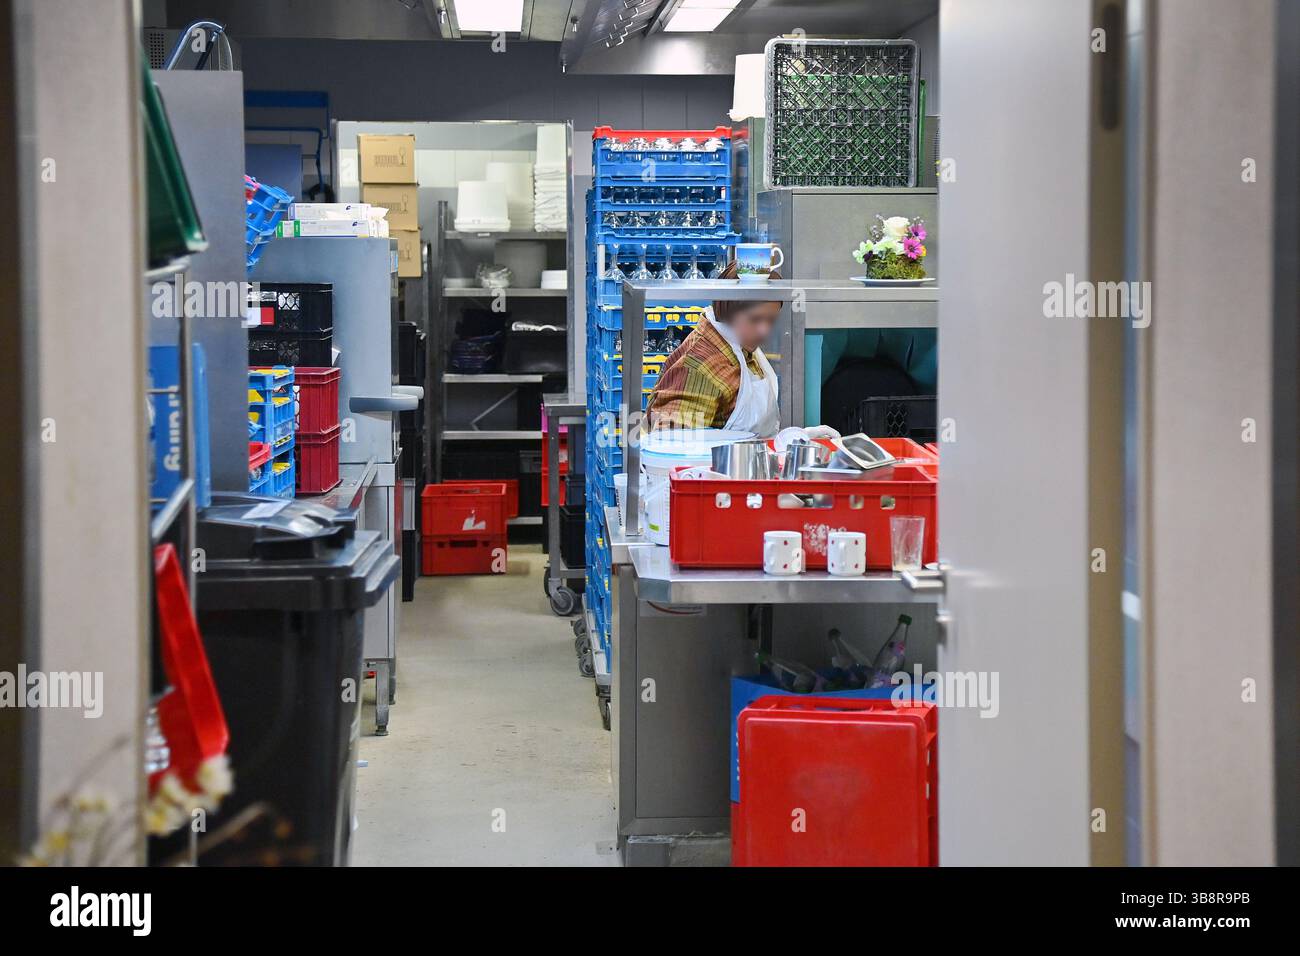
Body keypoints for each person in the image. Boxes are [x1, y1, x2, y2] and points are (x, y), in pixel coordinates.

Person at [645, 262, 781, 436]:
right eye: (755, 319)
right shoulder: (699, 368)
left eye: (771, 320)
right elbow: (672, 443)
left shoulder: (740, 347)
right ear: (727, 311)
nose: (765, 330)